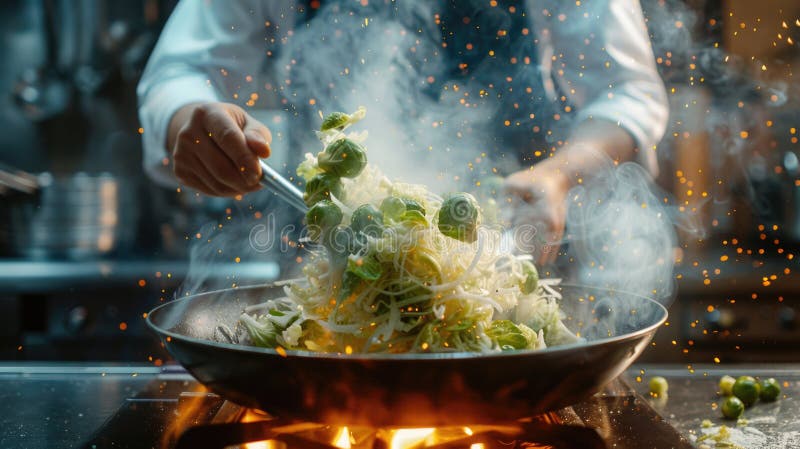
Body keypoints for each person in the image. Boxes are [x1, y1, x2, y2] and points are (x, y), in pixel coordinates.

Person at [138, 0, 668, 261]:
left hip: (514, 262)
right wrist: (188, 118)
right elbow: (181, 74)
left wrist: (556, 175)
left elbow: (626, 92)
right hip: (324, 270)